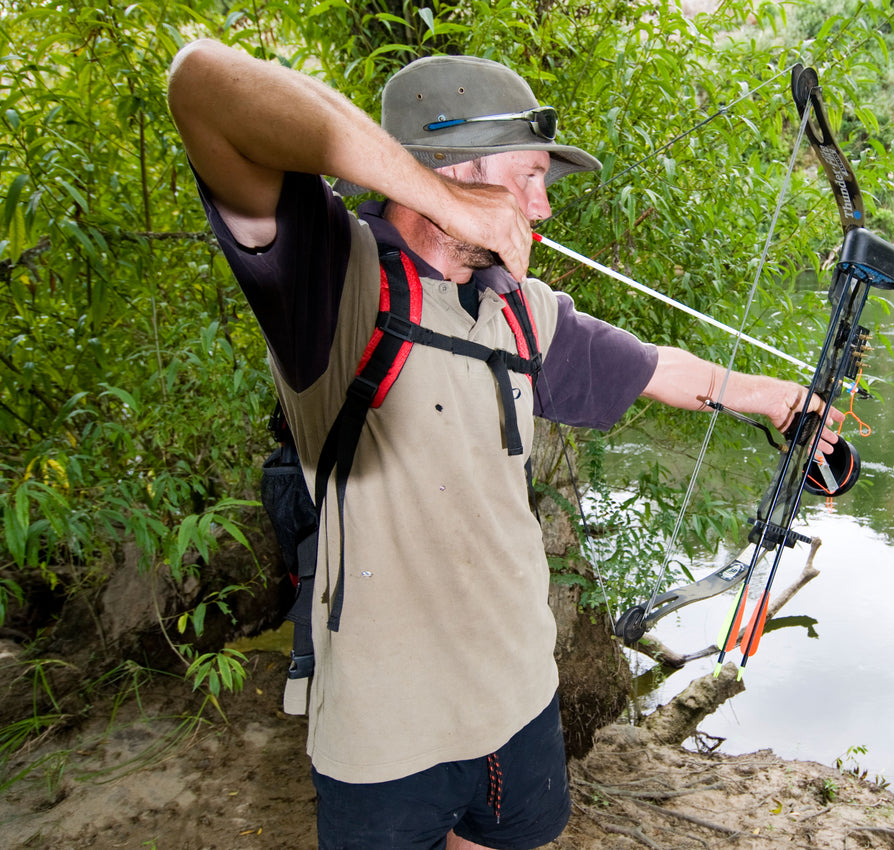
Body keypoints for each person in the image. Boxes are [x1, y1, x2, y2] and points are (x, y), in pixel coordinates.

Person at [167, 39, 843, 850]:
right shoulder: (330, 282)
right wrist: (432, 198)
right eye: (530, 177)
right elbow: (200, 85)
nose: (545, 207)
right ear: (455, 170)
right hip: (386, 732)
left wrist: (781, 402)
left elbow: (661, 368)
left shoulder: (520, 308)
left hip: (519, 697)